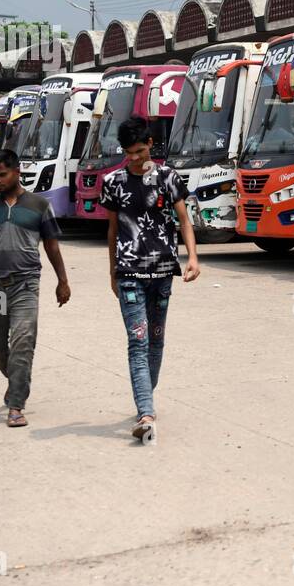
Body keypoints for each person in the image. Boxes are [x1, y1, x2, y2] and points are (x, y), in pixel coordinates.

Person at [100, 115, 200, 442]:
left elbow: (184, 220)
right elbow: (113, 230)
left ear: (151, 145)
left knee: (156, 339)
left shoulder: (169, 178)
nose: (134, 159)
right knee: (138, 341)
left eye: (140, 151)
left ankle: (146, 394)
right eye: (129, 153)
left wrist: (193, 258)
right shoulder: (113, 183)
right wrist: (113, 271)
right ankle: (146, 412)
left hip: (162, 274)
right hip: (130, 272)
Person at [0, 148, 71, 427]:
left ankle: (16, 404)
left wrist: (63, 281)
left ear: (17, 172)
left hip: (25, 284)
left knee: (22, 341)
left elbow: (52, 246)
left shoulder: (39, 205)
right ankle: (17, 378)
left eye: (2, 175)